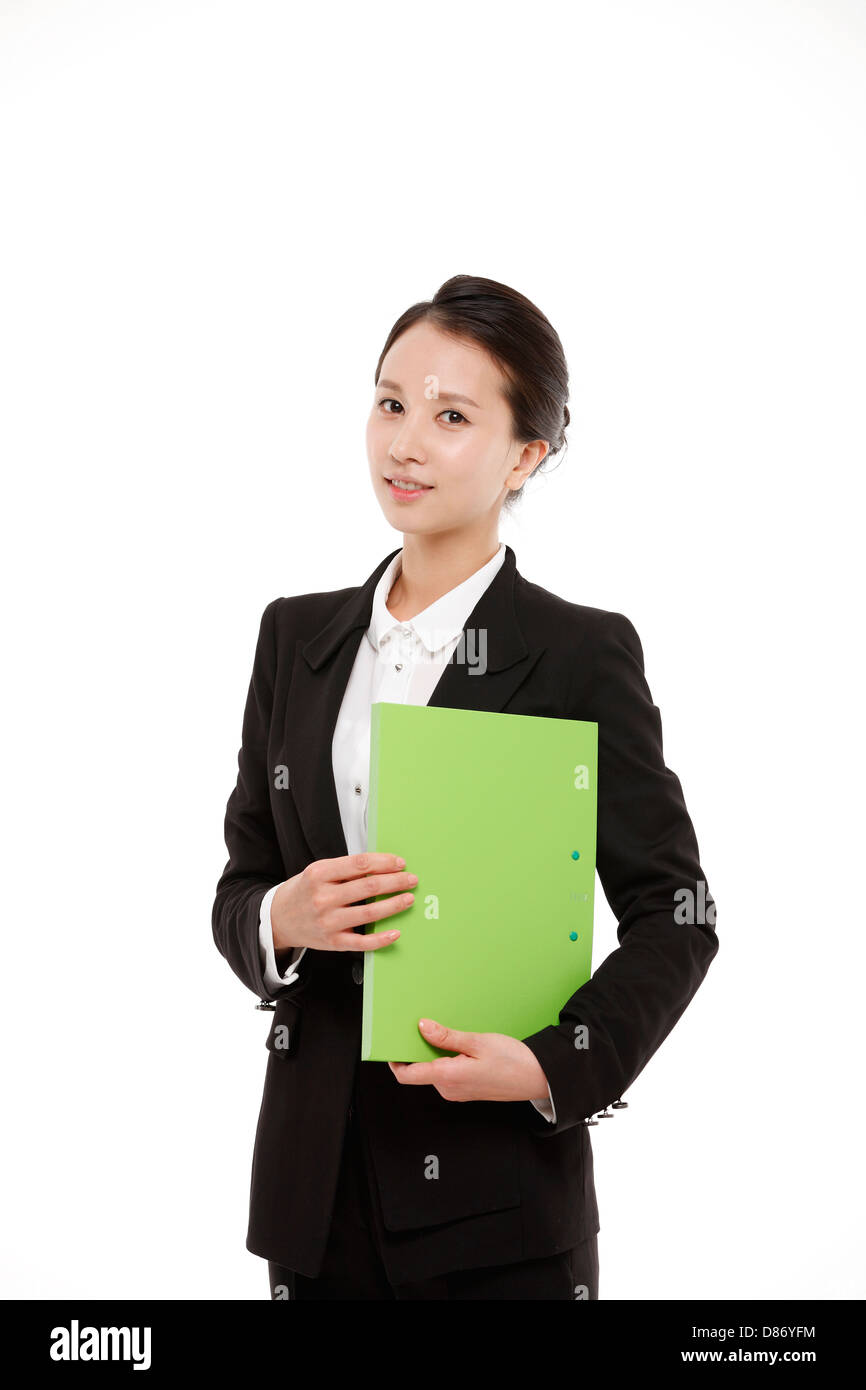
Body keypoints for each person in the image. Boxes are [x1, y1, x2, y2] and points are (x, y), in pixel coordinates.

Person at [211, 274, 719, 1300]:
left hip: (497, 1208)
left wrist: (555, 1065)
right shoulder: (295, 636)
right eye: (390, 402)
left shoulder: (578, 654)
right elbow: (243, 885)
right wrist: (280, 915)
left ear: (525, 454)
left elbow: (677, 912)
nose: (403, 443)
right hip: (310, 1202)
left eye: (451, 416)